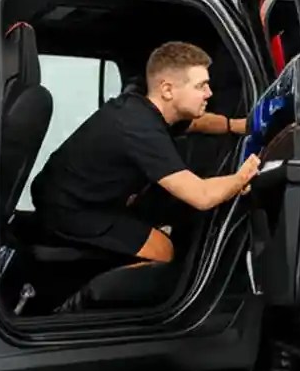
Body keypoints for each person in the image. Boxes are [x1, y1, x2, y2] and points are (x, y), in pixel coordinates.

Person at [30, 41, 258, 263]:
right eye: (201, 86)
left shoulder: (145, 109)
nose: (209, 93)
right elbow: (202, 196)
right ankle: (98, 297)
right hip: (69, 211)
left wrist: (237, 125)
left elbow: (198, 123)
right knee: (163, 251)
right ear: (167, 90)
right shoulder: (141, 129)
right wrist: (244, 175)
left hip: (78, 199)